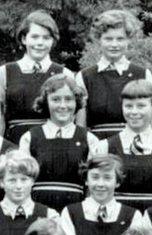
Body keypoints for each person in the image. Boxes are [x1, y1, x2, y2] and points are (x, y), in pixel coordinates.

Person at [92, 79, 152, 211]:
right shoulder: (105, 147)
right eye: (128, 106)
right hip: (116, 217)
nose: (134, 112)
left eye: (141, 106)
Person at [59, 155, 141, 235]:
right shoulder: (70, 212)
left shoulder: (133, 216)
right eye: (95, 177)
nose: (100, 184)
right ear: (86, 180)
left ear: (117, 182)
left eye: (107, 178)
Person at [19, 74, 98, 212]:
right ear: (45, 102)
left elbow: (94, 185)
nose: (63, 105)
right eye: (56, 99)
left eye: (68, 99)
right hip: (38, 208)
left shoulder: (89, 139)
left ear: (77, 102)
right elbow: (22, 181)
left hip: (76, 208)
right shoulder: (30, 138)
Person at [75, 9, 152, 139]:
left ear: (129, 40)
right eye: (108, 39)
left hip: (136, 144)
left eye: (120, 39)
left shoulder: (142, 74)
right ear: (98, 40)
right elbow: (80, 126)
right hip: (98, 146)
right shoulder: (85, 77)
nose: (114, 44)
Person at [0, 10, 71, 142]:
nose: (40, 43)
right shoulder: (5, 72)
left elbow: (69, 120)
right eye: (35, 37)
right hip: (15, 143)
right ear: (24, 39)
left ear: (53, 41)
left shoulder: (64, 74)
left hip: (52, 142)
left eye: (46, 38)